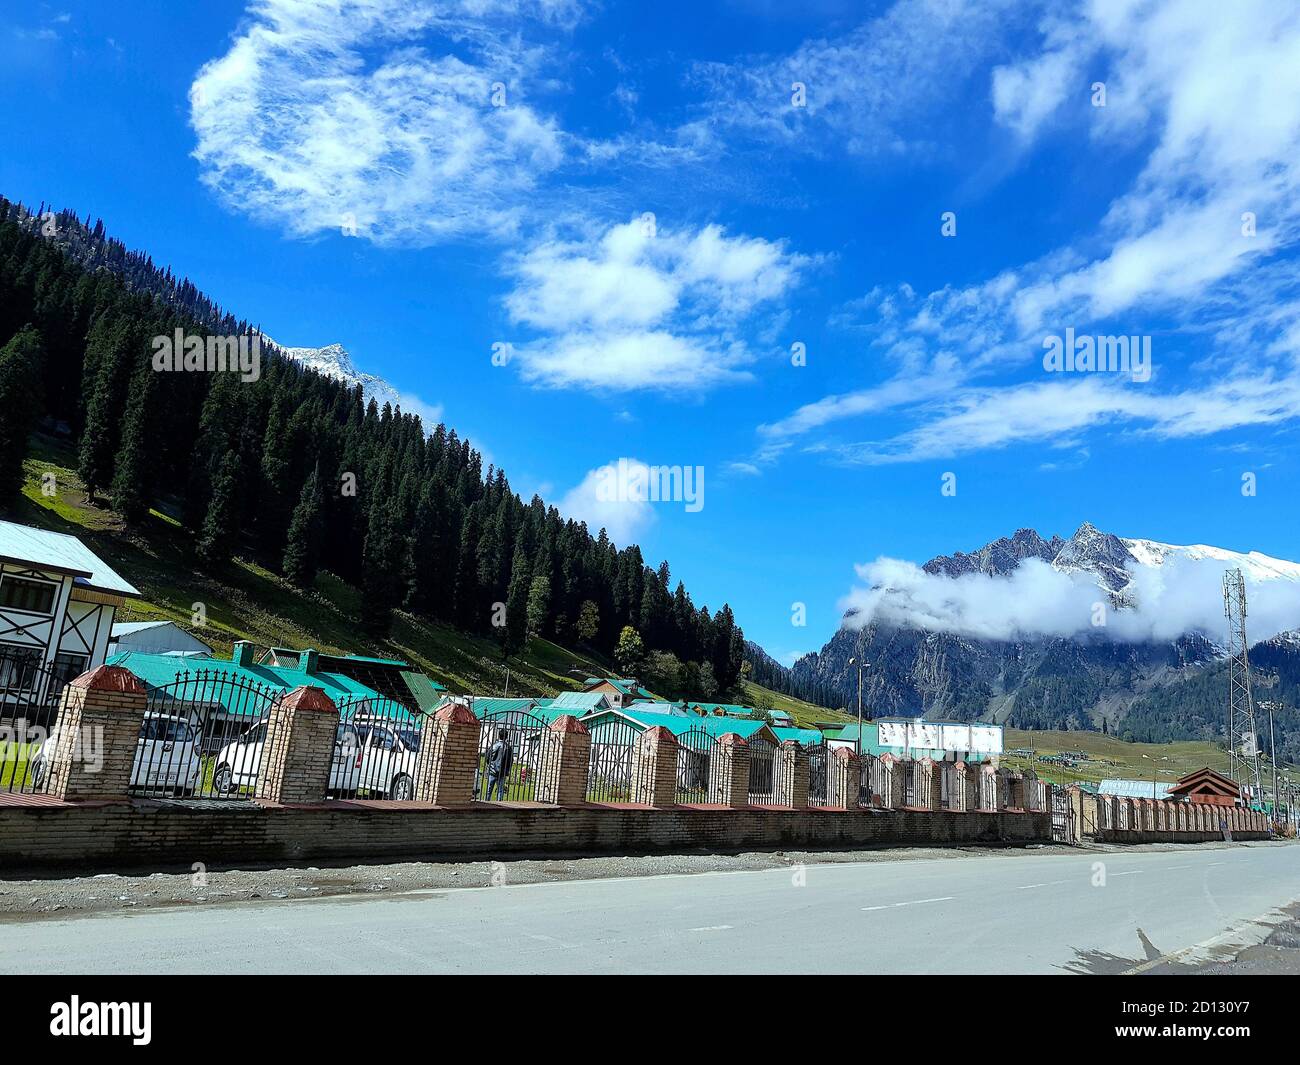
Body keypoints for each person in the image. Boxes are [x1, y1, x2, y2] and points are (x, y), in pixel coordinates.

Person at [485, 727, 514, 801]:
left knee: (489, 790)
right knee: (500, 791)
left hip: (492, 771)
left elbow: (487, 757)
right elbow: (510, 761)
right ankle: (499, 805)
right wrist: (507, 770)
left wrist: (489, 765)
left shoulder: (493, 745)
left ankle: (486, 803)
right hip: (502, 772)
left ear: (499, 736)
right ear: (507, 737)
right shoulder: (508, 748)